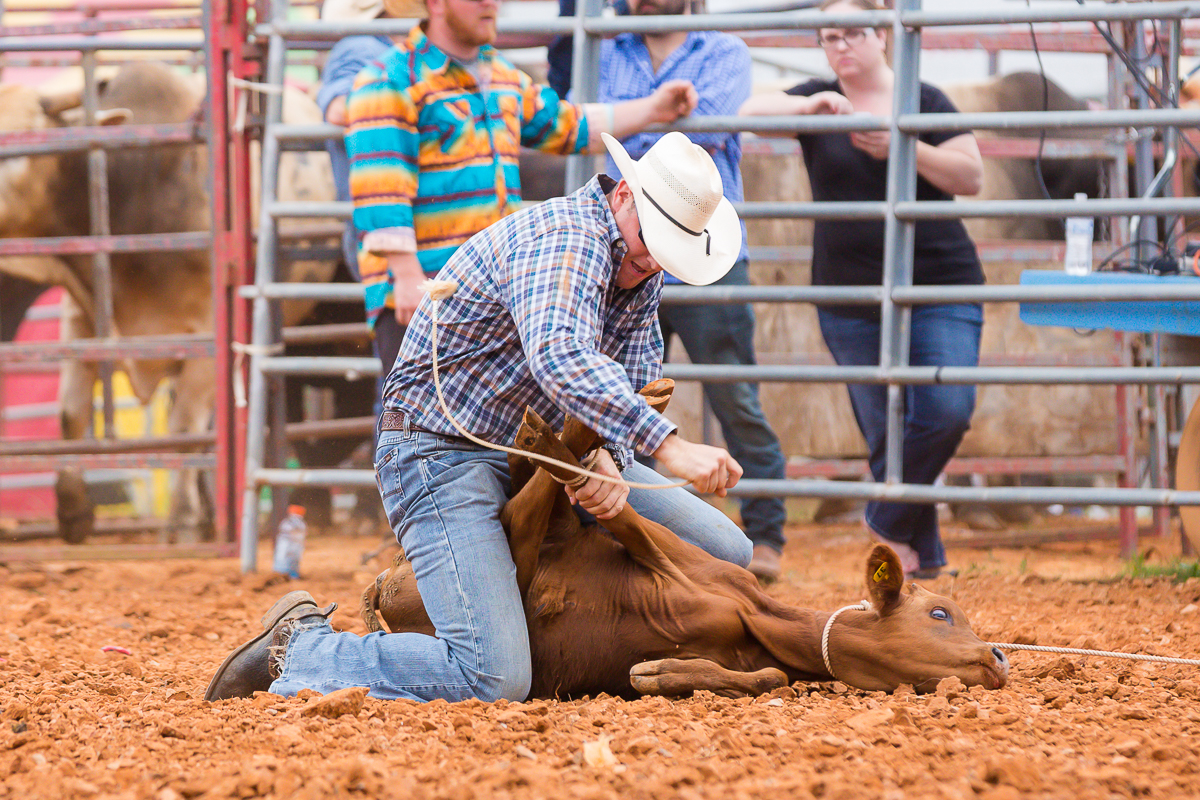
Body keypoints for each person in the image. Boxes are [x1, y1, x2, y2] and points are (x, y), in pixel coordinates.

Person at [206, 132, 751, 703]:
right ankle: (301, 650)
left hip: (540, 454)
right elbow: (559, 355)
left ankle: (591, 643)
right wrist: (664, 445)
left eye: (670, 248)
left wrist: (607, 458)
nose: (653, 259)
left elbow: (636, 379)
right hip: (440, 450)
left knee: (725, 555)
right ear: (624, 198)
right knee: (492, 677)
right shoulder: (565, 238)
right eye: (652, 239)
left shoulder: (640, 263)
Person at [738, 0, 985, 580]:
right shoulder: (820, 97)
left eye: (852, 33)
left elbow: (971, 175)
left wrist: (903, 145)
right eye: (828, 36)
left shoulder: (921, 99)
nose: (840, 46)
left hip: (940, 285)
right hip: (850, 297)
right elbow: (748, 112)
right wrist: (812, 105)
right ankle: (923, 565)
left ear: (882, 34)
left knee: (946, 411)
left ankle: (885, 518)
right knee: (884, 435)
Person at [345, 0, 697, 381]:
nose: (490, 3)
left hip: (489, 288)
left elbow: (568, 125)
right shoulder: (390, 78)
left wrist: (653, 109)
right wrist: (408, 276)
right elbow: (380, 187)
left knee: (482, 416)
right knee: (413, 414)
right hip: (428, 288)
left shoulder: (501, 77)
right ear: (436, 3)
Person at [598, 0, 789, 581]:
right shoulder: (610, 45)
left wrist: (640, 116)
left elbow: (702, 131)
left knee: (734, 394)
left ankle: (767, 529)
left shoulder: (724, 49)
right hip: (631, 251)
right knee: (617, 381)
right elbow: (631, 129)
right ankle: (620, 521)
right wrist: (660, 115)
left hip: (698, 249)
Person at [315, 0, 407, 281]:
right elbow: (339, 108)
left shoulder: (384, 47)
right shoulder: (360, 47)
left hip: (391, 223)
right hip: (386, 226)